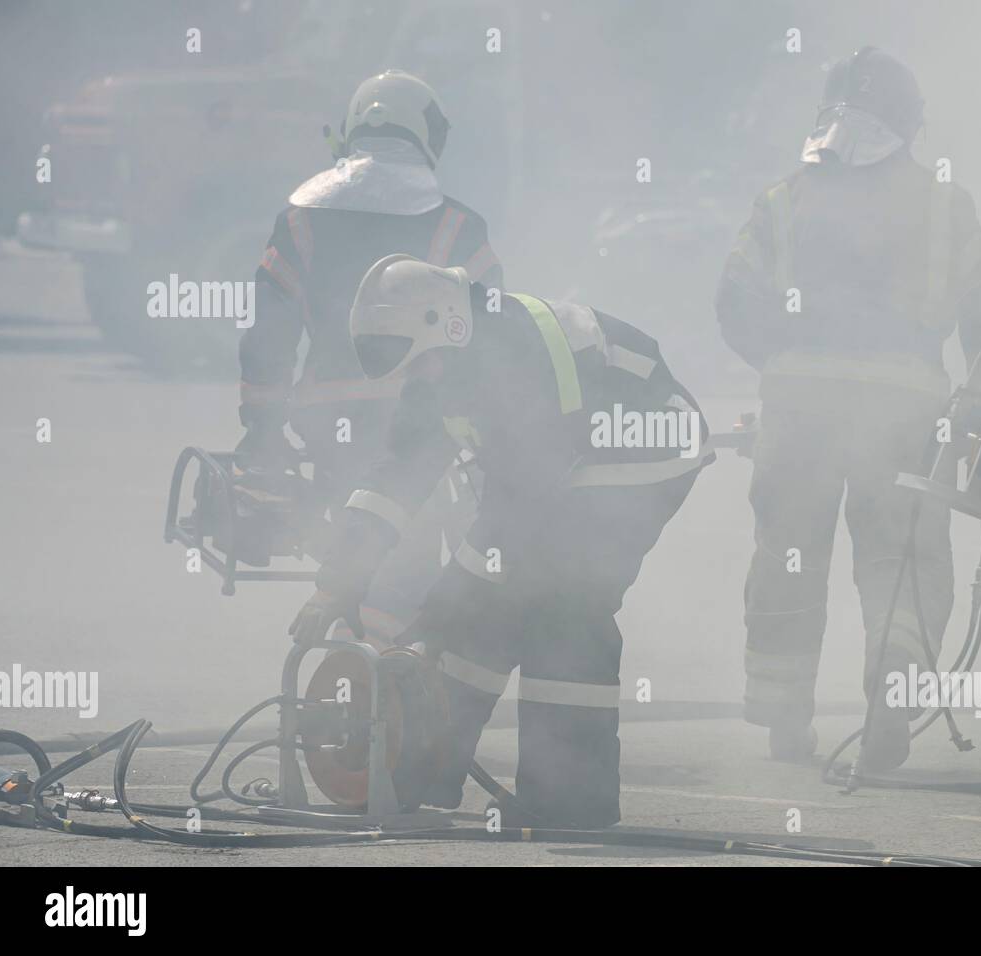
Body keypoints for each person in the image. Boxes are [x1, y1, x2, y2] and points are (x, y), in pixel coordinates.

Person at [290, 256, 712, 827]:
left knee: (565, 602)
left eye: (423, 364)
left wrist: (440, 610)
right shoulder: (437, 373)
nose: (417, 379)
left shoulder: (518, 355)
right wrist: (338, 583)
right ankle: (423, 768)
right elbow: (394, 480)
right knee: (484, 610)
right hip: (560, 469)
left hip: (642, 452)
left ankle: (569, 802)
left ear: (451, 328)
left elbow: (521, 508)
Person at [715, 47, 981, 767]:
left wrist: (782, 365)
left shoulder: (783, 198)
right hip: (908, 406)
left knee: (788, 553)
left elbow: (733, 301)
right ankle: (892, 690)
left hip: (798, 409)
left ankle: (786, 717)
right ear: (908, 123)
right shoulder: (946, 202)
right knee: (901, 554)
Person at [237, 69, 502, 643]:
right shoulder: (458, 225)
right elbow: (491, 336)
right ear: (429, 136)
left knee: (354, 531)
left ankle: (354, 669)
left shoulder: (299, 221)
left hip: (326, 422)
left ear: (352, 132)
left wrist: (262, 432)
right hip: (425, 418)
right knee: (408, 546)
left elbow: (267, 340)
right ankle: (384, 678)